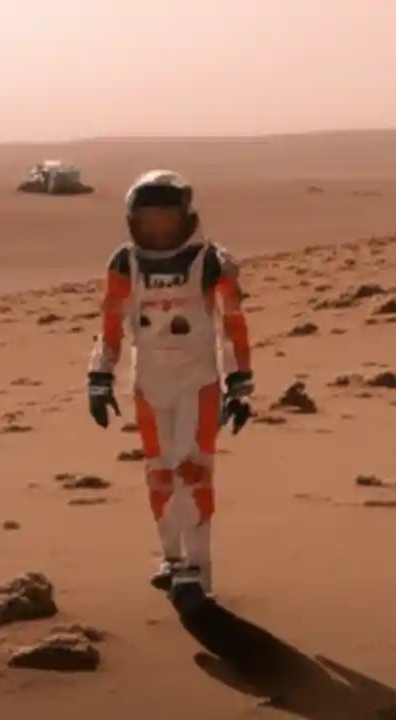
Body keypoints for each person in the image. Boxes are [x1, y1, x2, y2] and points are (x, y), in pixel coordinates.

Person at [86, 169, 253, 599]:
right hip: (148, 382)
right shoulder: (125, 263)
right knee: (159, 473)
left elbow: (231, 324)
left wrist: (240, 383)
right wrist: (100, 375)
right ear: (132, 222)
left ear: (186, 218)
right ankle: (172, 558)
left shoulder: (211, 262)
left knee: (192, 470)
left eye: (166, 221)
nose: (158, 231)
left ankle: (197, 568)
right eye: (148, 222)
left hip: (198, 381)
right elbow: (111, 324)